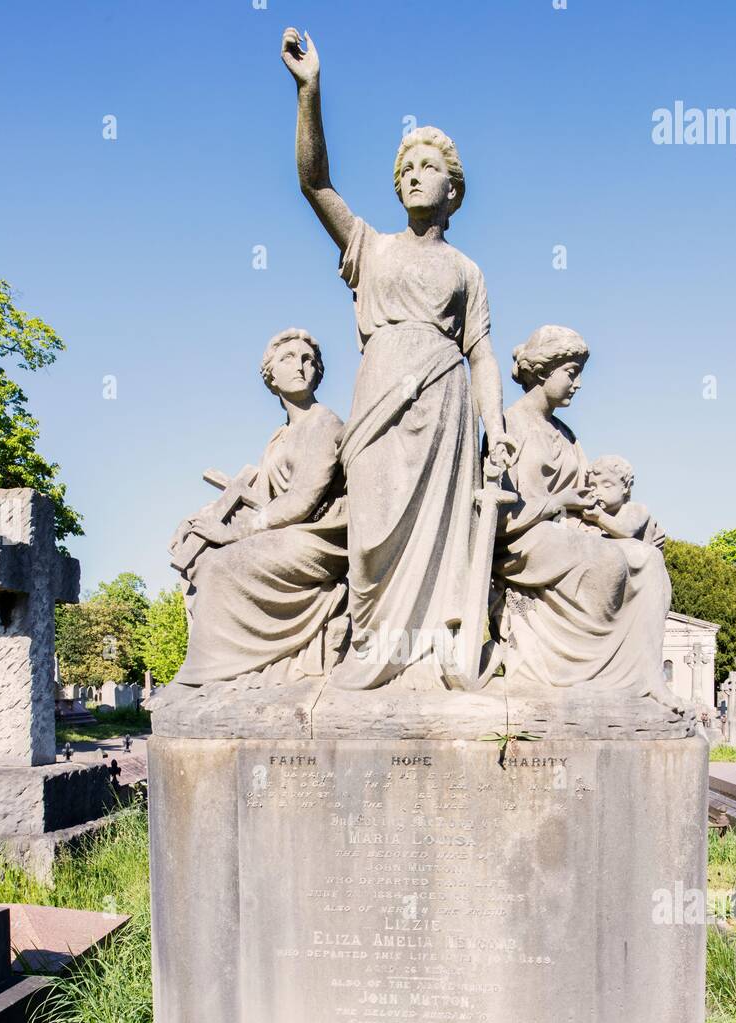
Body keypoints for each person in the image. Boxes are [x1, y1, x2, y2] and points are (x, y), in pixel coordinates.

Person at [281, 28, 516, 688]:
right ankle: (371, 649)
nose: (414, 175)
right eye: (404, 169)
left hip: (444, 403)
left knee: (443, 536)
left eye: (427, 168)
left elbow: (483, 352)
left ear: (453, 190)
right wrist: (309, 91)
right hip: (380, 395)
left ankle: (435, 653)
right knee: (373, 531)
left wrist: (494, 427)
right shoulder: (370, 247)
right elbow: (313, 181)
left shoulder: (466, 270)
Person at [493, 325, 681, 706]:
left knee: (647, 558)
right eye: (571, 373)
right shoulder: (510, 425)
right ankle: (598, 674)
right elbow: (502, 513)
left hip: (565, 534)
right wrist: (560, 501)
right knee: (608, 560)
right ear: (544, 370)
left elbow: (591, 501)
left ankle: (647, 676)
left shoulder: (566, 435)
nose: (577, 384)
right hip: (523, 539)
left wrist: (635, 526)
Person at [167, 328, 348, 688]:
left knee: (221, 565)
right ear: (271, 376)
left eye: (308, 360)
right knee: (205, 560)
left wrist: (234, 535)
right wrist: (203, 519)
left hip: (320, 535)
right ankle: (235, 668)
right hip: (287, 529)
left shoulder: (324, 422)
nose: (300, 366)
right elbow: (256, 498)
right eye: (288, 358)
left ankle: (210, 676)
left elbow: (301, 501)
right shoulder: (279, 437)